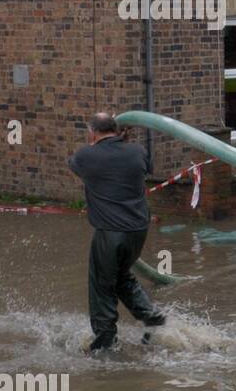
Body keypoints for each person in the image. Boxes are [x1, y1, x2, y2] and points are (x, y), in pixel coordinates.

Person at [67, 112, 165, 352]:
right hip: (138, 230)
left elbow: (76, 165)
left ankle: (105, 342)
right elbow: (144, 168)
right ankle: (152, 317)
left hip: (111, 231)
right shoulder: (138, 151)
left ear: (92, 133)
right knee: (122, 276)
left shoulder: (86, 155)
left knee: (102, 285)